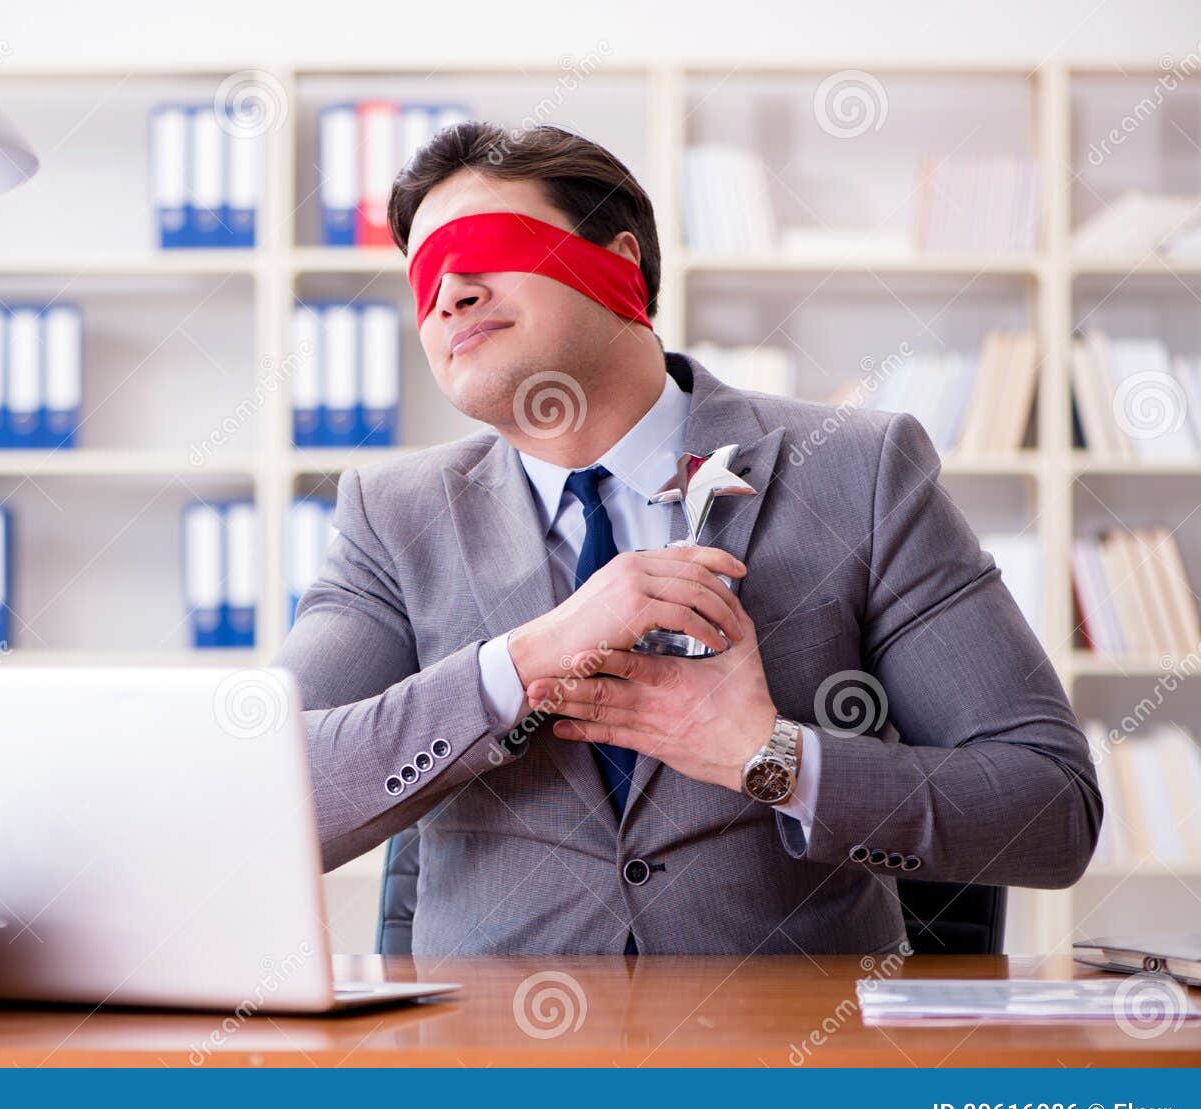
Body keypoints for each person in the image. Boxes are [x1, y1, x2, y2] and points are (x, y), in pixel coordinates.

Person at [274, 122, 1099, 955]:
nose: (450, 293)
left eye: (486, 248)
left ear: (619, 264)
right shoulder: (393, 516)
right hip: (491, 1035)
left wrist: (771, 757)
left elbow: (1053, 808)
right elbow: (270, 799)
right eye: (424, 275)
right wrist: (523, 662)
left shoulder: (859, 472)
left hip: (789, 1032)